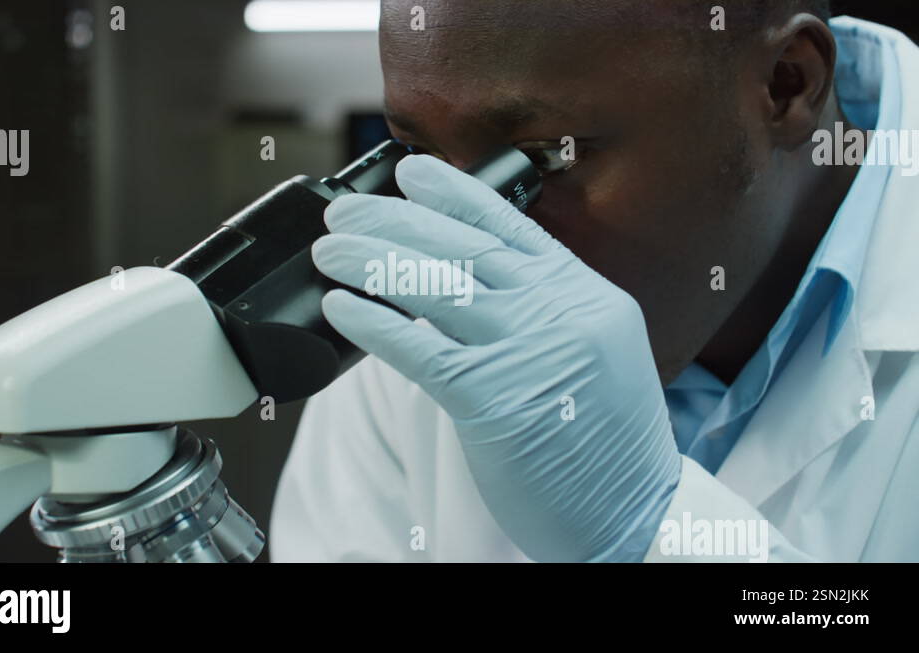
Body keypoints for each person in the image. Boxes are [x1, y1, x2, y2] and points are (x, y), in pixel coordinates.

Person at [270, 0, 919, 562]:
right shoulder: (420, 320)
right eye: (422, 157)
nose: (465, 240)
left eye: (541, 159)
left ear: (786, 84)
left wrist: (647, 526)